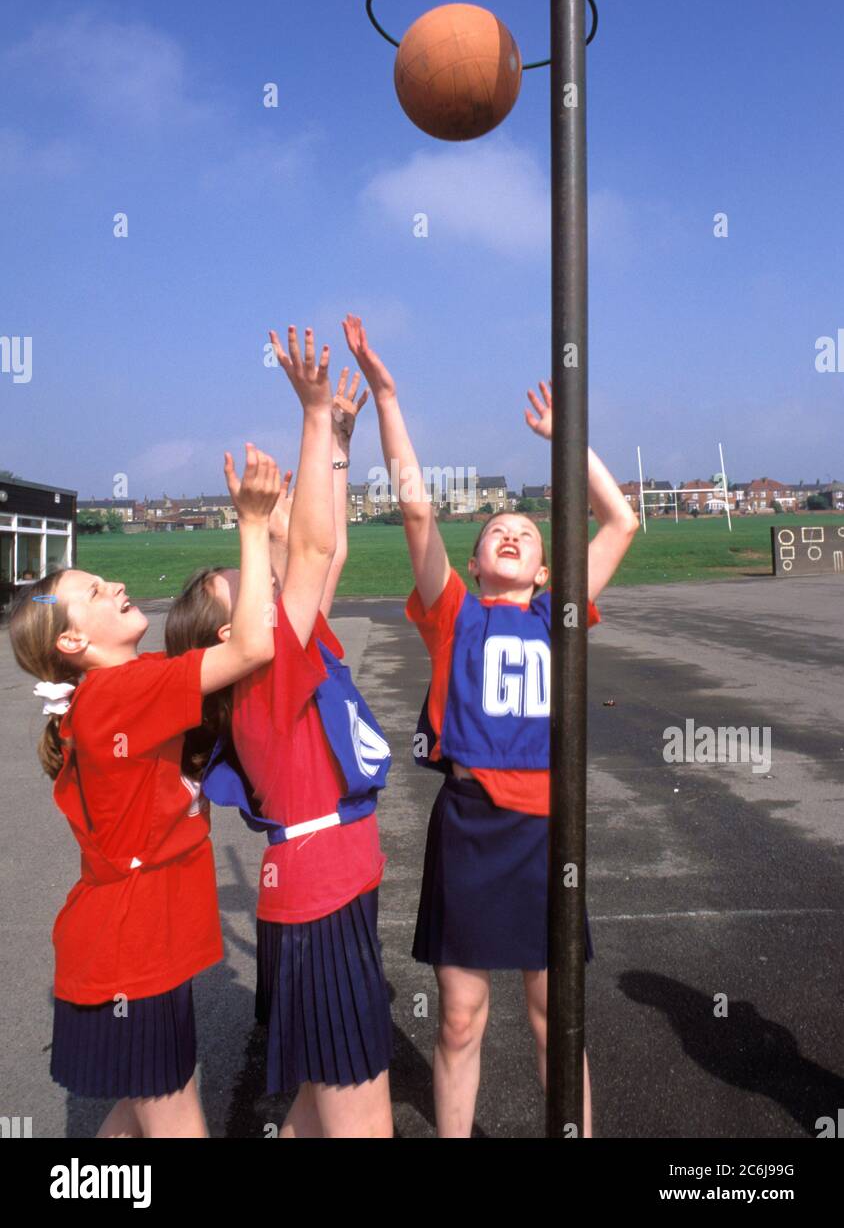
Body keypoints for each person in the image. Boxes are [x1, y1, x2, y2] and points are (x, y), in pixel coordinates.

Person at [343, 317, 639, 1138]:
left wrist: (567, 439)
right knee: (460, 1020)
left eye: (528, 534)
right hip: (473, 829)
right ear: (474, 564)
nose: (510, 532)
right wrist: (389, 398)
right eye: (494, 534)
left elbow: (621, 523)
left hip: (552, 832)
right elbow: (413, 509)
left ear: (546, 568)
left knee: (557, 1020)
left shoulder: (561, 616)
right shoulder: (455, 616)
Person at [8, 444, 282, 1137]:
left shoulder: (120, 691)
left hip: (133, 942)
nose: (112, 586)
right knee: (175, 1118)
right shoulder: (121, 693)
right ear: (72, 640)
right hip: (133, 950)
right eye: (93, 592)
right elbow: (251, 645)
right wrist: (251, 523)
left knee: (140, 1113)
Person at [165, 327, 394, 1138]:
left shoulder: (284, 658)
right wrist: (306, 413)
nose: (266, 578)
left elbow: (321, 558)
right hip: (319, 895)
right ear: (226, 643)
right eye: (248, 583)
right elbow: (312, 544)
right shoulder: (259, 680)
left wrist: (335, 441)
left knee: (312, 1108)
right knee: (361, 1117)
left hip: (331, 885)